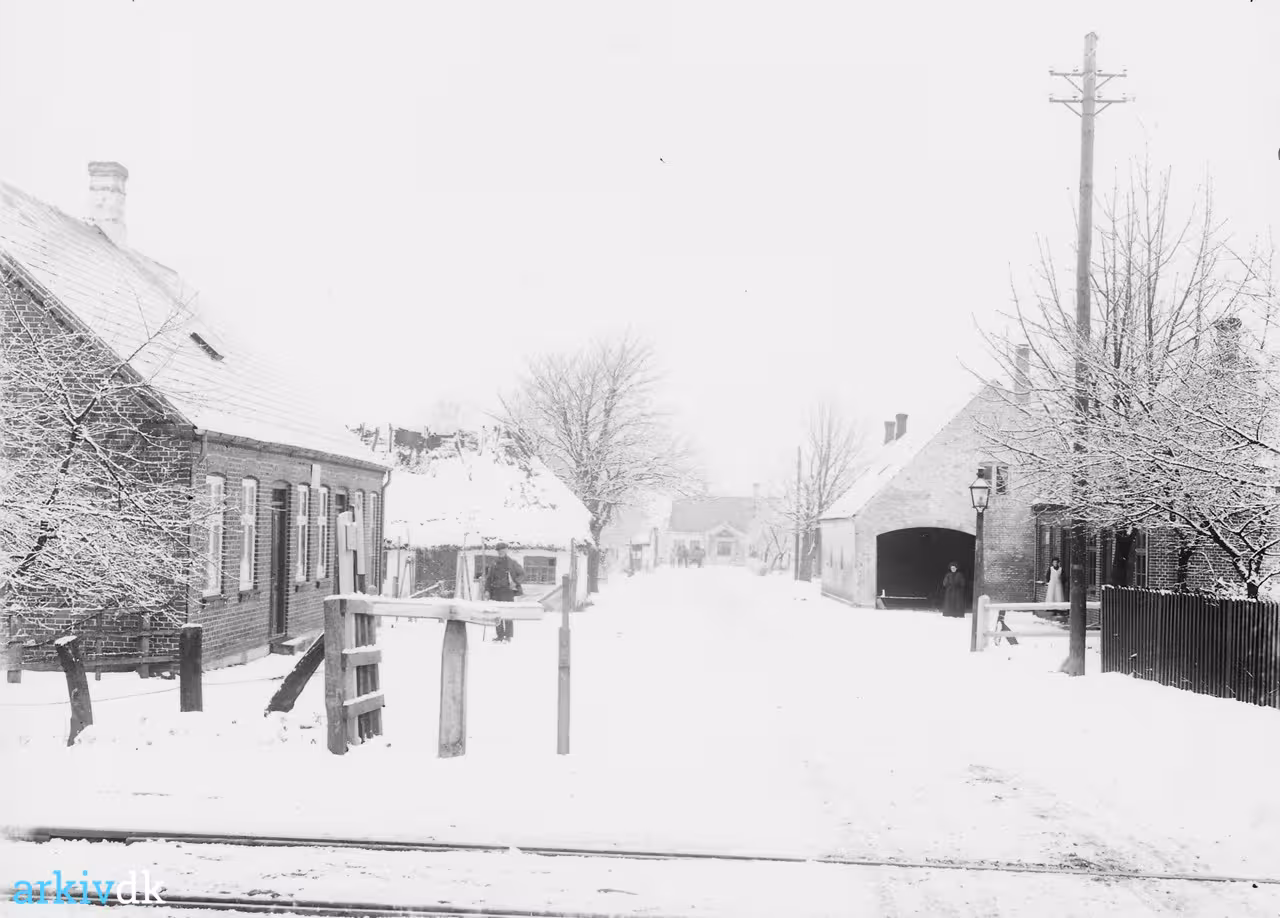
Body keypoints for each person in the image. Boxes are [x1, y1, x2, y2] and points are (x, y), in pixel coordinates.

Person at [480, 543, 524, 643]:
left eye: (503, 550)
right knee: (496, 614)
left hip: (507, 591)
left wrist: (515, 582)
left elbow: (522, 574)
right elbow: (489, 578)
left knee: (507, 613)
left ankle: (508, 636)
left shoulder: (512, 563)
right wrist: (487, 590)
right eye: (499, 550)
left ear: (507, 550)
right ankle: (499, 635)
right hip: (495, 592)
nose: (501, 552)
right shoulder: (494, 563)